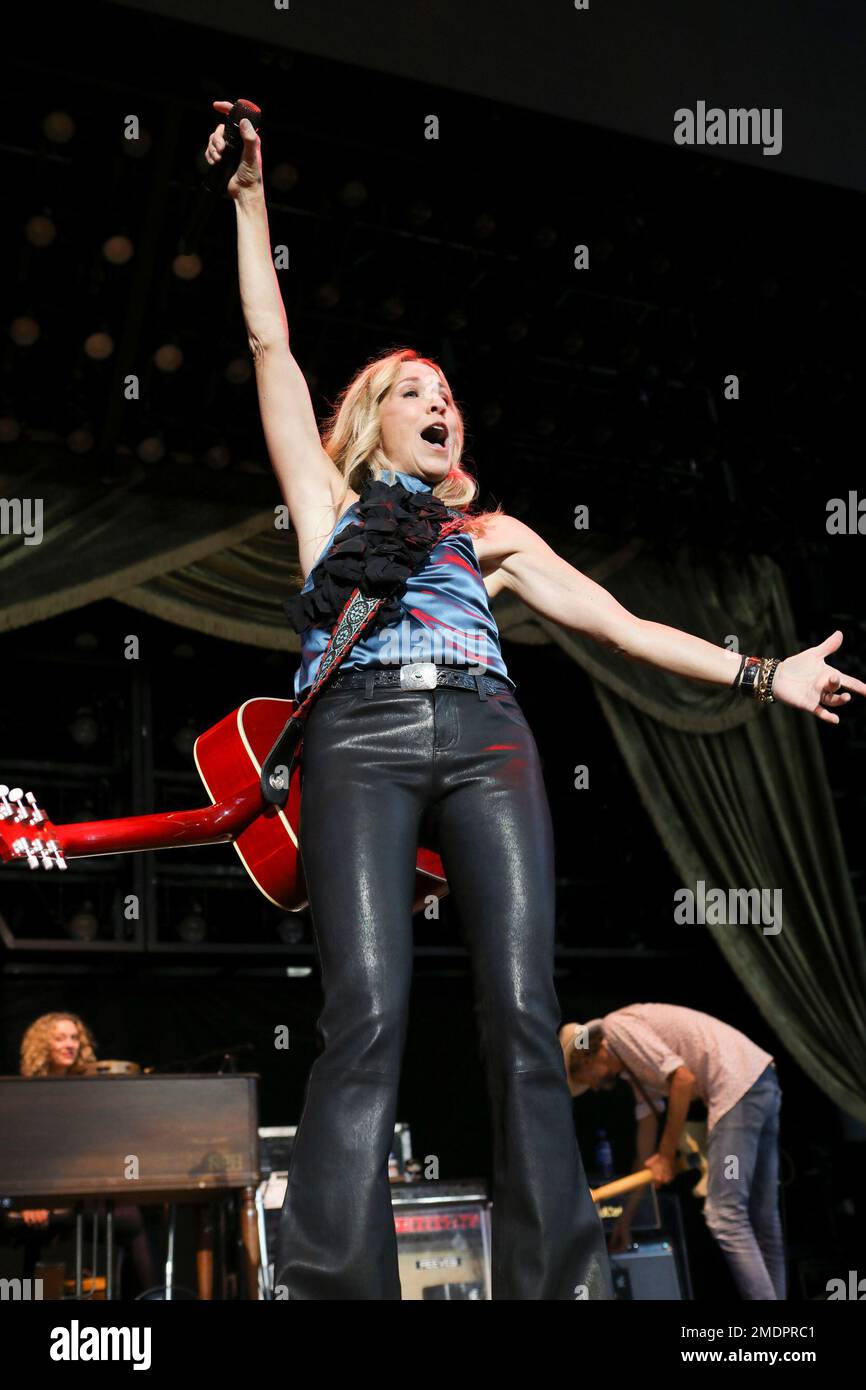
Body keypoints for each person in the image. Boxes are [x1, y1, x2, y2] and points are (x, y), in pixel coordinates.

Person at [206, 100, 865, 1300]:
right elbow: (269, 346)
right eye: (413, 389)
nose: (438, 401)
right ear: (369, 423)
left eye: (447, 390)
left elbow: (622, 627)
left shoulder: (490, 536)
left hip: (486, 735)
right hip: (357, 732)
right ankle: (325, 1287)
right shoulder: (323, 502)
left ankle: (555, 1281)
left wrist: (767, 674)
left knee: (522, 1009)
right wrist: (251, 202)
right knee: (365, 1012)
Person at [560, 1005, 786, 1299]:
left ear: (585, 1057)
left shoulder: (617, 1029)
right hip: (760, 1082)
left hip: (736, 1088)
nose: (596, 1089)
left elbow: (683, 1080)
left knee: (725, 1215)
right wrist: (626, 1220)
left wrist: (666, 1156)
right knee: (761, 1215)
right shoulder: (636, 1070)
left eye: (585, 1080)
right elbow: (645, 1153)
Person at [15, 1013, 157, 1295]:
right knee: (34, 1235)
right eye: (60, 1038)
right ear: (43, 1045)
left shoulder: (88, 1089)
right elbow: (20, 1155)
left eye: (74, 1038)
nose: (70, 1044)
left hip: (81, 1192)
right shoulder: (25, 1094)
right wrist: (29, 1199)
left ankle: (149, 1296)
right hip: (40, 1197)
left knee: (132, 1219)